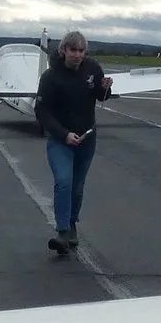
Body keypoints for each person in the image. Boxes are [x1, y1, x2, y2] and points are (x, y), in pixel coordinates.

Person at [34, 30, 111, 254]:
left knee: (77, 188)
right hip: (61, 140)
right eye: (73, 50)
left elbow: (100, 95)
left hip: (87, 139)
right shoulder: (50, 77)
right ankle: (62, 232)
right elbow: (42, 110)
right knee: (64, 181)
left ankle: (72, 224)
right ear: (64, 51)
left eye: (81, 51)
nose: (77, 55)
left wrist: (105, 87)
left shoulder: (92, 69)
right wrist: (63, 134)